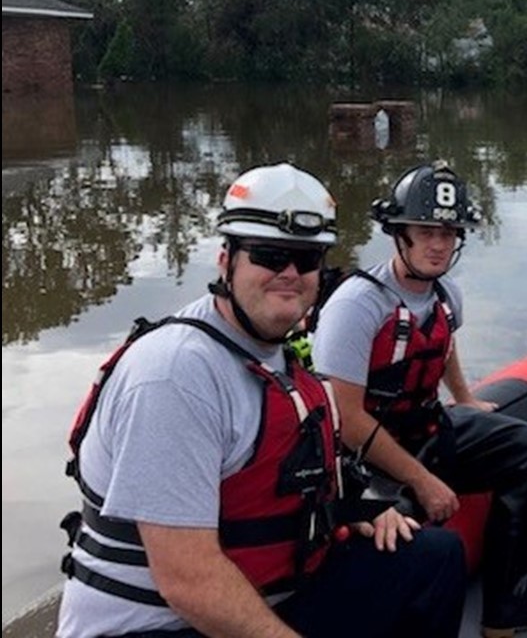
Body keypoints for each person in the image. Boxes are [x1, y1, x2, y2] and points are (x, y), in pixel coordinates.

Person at [57, 163, 466, 638]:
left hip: (274, 586)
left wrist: (352, 511)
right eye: (270, 255)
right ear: (226, 260)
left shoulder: (275, 352)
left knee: (435, 558)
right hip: (162, 625)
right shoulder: (175, 375)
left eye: (306, 259)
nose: (289, 273)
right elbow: (188, 581)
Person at [310, 161, 527, 638]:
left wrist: (464, 397)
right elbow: (347, 420)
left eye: (448, 233)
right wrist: (422, 481)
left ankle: (506, 608)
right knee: (396, 539)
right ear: (398, 233)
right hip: (366, 462)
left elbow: (442, 346)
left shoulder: (446, 295)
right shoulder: (357, 305)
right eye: (426, 231)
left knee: (525, 448)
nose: (438, 244)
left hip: (427, 429)